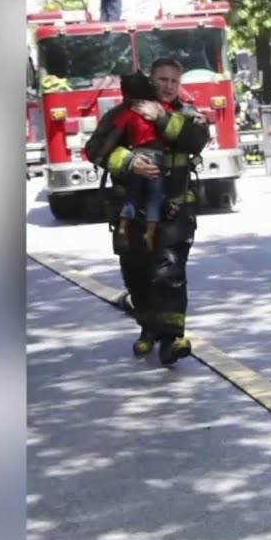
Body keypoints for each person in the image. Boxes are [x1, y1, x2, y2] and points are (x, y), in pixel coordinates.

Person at [93, 58, 211, 367]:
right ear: (152, 79)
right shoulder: (125, 113)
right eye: (162, 79)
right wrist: (129, 162)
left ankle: (173, 339)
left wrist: (162, 118)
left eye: (174, 80)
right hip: (132, 211)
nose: (168, 86)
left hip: (175, 208)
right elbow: (96, 149)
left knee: (169, 271)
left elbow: (196, 141)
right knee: (138, 273)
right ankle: (149, 327)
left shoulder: (188, 115)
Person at [112, 71, 175, 251]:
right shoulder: (159, 107)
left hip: (137, 157)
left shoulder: (126, 112)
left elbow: (110, 138)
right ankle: (150, 233)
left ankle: (123, 227)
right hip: (156, 158)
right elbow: (176, 120)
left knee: (131, 196)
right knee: (155, 198)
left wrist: (127, 160)